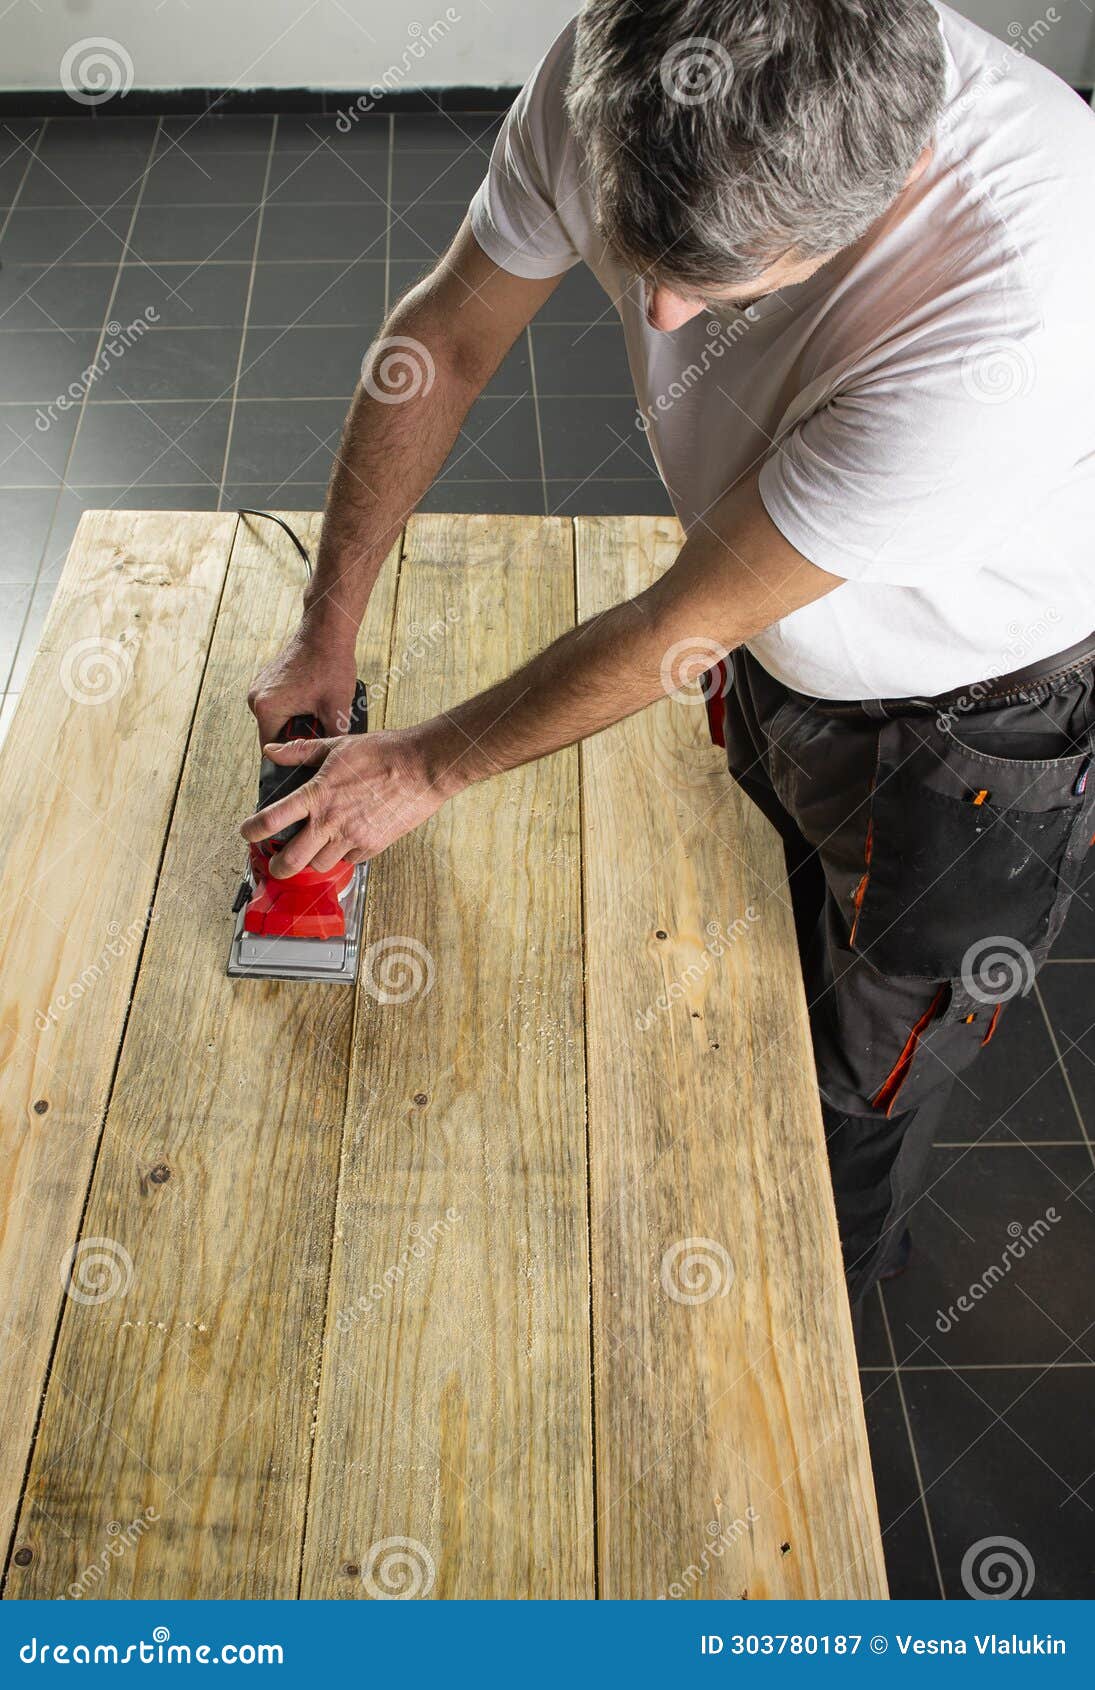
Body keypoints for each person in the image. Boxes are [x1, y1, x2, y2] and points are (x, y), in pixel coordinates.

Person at [243, 0, 1095, 1308]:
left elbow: (675, 626)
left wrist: (419, 767)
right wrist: (327, 626)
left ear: (883, 190)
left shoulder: (1010, 308)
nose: (661, 313)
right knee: (753, 926)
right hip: (782, 640)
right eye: (643, 260)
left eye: (716, 283)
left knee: (860, 1068)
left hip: (970, 731)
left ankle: (821, 1297)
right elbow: (446, 343)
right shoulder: (629, 67)